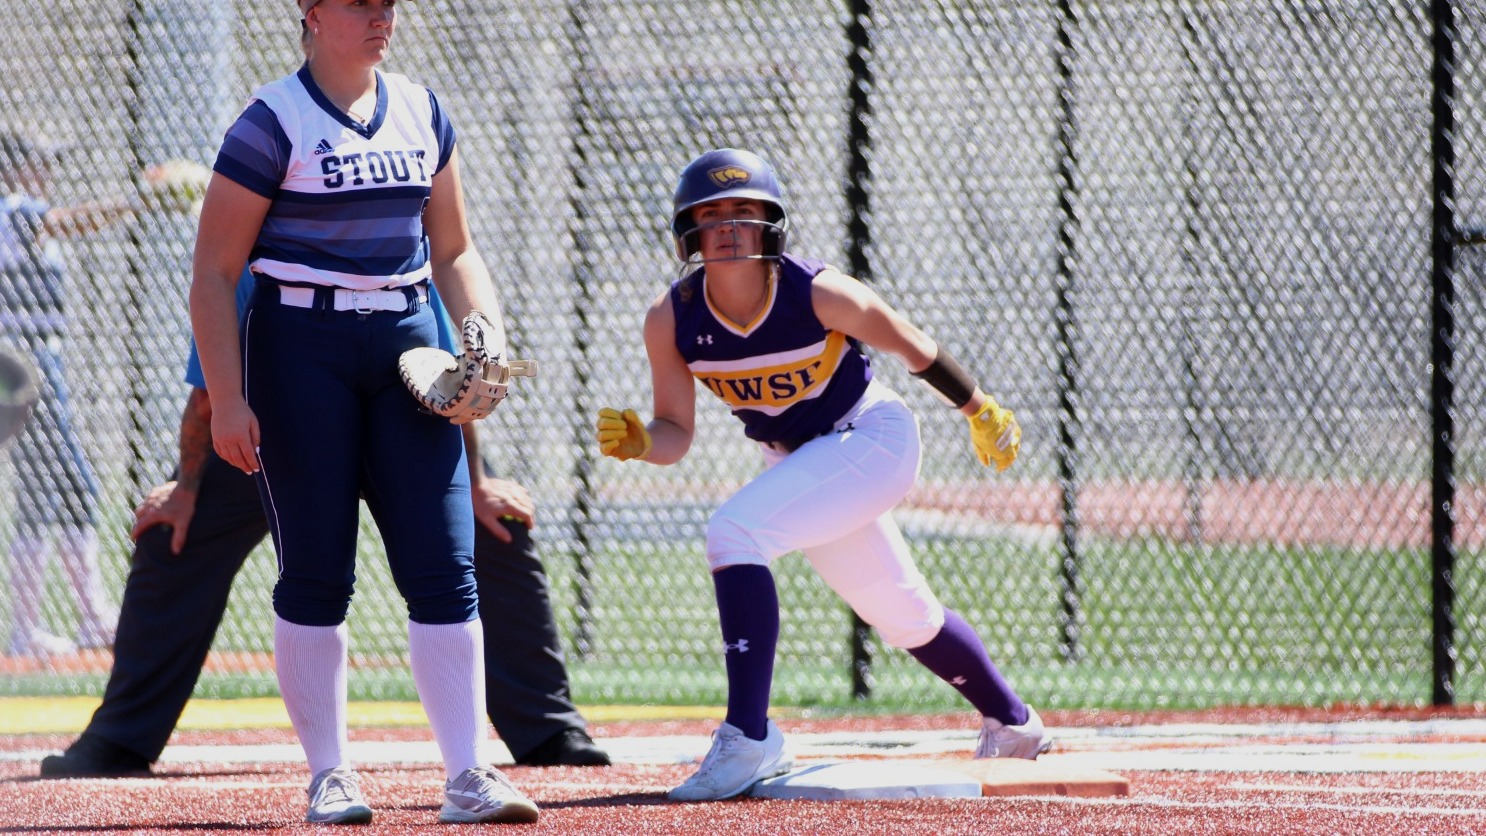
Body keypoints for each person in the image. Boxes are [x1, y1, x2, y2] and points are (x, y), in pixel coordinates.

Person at [594, 147, 1051, 803]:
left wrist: (979, 410)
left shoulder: (817, 291)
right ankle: (1014, 724)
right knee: (904, 617)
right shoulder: (672, 318)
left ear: (772, 225)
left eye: (745, 212)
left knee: (734, 532)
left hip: (872, 438)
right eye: (712, 213)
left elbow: (909, 341)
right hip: (801, 458)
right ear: (686, 232)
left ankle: (750, 735)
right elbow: (677, 434)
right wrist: (643, 440)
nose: (727, 226)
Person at [38, 272, 608, 780]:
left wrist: (478, 482)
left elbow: (447, 386)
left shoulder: (398, 248)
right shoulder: (255, 262)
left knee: (491, 523)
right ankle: (119, 739)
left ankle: (549, 730)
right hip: (282, 430)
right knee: (172, 533)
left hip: (398, 419)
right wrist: (186, 491)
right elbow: (210, 393)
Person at [189, 0, 536, 824]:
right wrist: (228, 399)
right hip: (299, 346)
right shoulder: (270, 121)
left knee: (444, 561)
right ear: (310, 12)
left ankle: (467, 776)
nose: (382, 14)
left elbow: (452, 248)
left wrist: (481, 333)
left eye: (389, 2)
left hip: (408, 340)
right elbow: (213, 269)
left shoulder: (422, 108)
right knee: (316, 571)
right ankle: (331, 777)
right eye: (360, 1)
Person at [1, 130, 194, 658]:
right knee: (73, 484)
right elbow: (62, 221)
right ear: (17, 170)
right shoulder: (15, 208)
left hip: (35, 361)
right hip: (27, 362)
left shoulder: (21, 211)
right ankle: (81, 618)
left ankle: (41, 626)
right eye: (40, 164)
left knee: (48, 491)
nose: (48, 173)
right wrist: (135, 204)